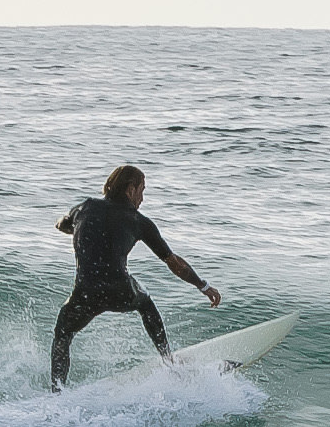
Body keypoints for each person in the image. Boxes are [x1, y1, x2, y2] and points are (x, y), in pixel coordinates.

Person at [49, 163, 219, 387]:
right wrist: (203, 286)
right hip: (120, 290)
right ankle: (169, 360)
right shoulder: (139, 222)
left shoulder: (84, 208)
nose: (142, 198)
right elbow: (173, 261)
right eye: (142, 190)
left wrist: (80, 229)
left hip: (85, 292)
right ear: (130, 189)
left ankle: (57, 390)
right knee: (145, 303)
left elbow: (61, 224)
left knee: (63, 333)